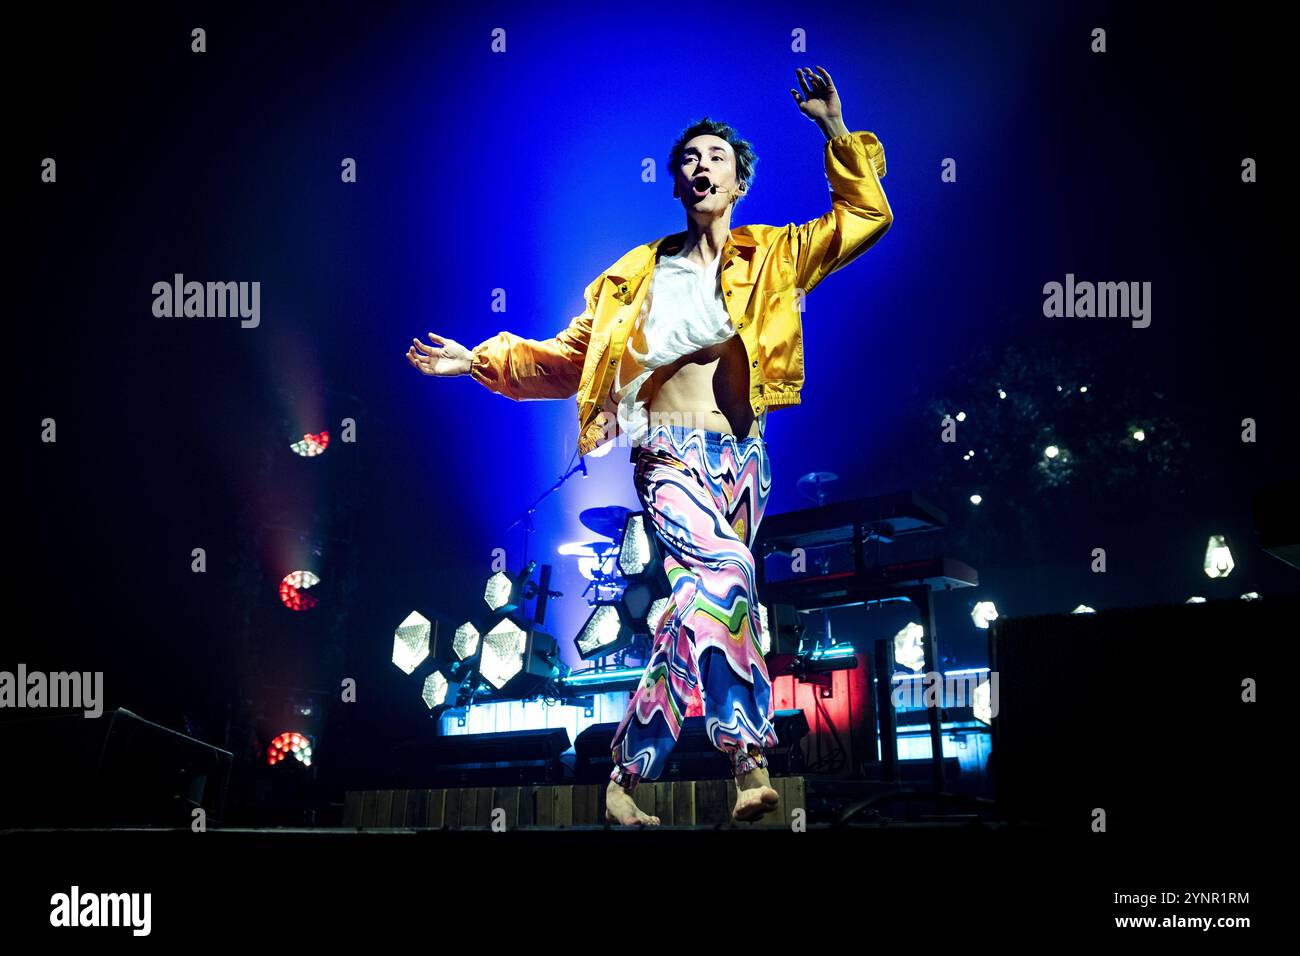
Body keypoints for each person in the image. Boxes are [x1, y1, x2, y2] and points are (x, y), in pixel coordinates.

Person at [407, 66, 892, 826]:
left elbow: (864, 217)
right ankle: (748, 761)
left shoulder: (773, 255)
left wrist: (835, 128)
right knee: (728, 576)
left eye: (717, 159)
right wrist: (476, 359)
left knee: (691, 617)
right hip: (664, 454)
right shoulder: (630, 279)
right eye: (689, 160)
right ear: (676, 183)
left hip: (743, 461)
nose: (701, 167)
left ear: (739, 183)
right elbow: (564, 361)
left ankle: (623, 781)